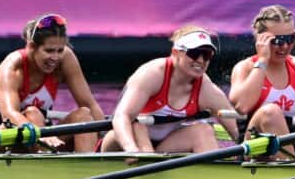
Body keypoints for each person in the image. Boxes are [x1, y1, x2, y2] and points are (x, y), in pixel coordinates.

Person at [100, 26, 244, 155]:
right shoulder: (152, 74)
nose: (200, 60)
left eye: (206, 55)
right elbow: (122, 116)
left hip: (162, 147)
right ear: (175, 53)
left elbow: (237, 133)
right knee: (138, 126)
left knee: (203, 131)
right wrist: (130, 149)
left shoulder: (206, 89)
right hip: (123, 142)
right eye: (194, 53)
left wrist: (249, 151)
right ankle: (145, 161)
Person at [0, 13, 107, 152]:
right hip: (4, 140)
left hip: (45, 136)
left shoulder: (66, 58)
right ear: (31, 47)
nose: (55, 57)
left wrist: (105, 134)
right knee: (33, 113)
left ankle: (88, 164)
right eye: (49, 51)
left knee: (84, 115)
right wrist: (38, 133)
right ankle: (47, 159)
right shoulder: (11, 67)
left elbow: (89, 104)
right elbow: (9, 114)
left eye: (60, 50)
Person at [228, 4, 295, 151]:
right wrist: (263, 60)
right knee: (271, 112)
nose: (284, 46)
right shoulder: (245, 68)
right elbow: (242, 106)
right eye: (277, 40)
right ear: (261, 40)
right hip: (256, 146)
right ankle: (292, 166)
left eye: (289, 38)